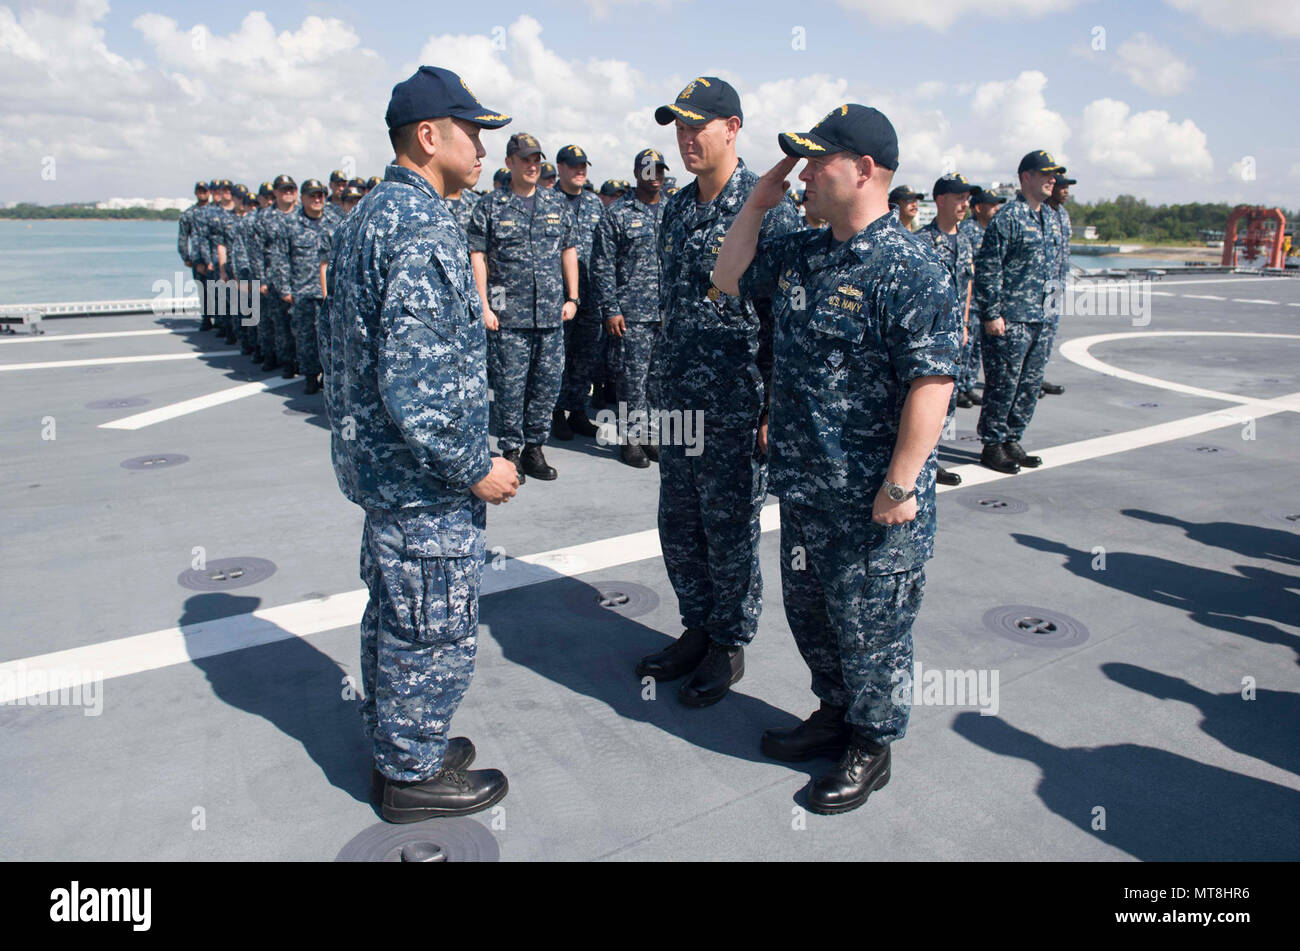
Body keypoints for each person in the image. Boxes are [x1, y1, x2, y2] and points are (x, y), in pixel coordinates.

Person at [712, 103, 959, 815]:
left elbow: (932, 383)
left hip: (874, 499)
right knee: (815, 616)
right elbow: (729, 278)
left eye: (820, 160)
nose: (808, 173)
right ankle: (833, 712)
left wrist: (900, 482)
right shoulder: (802, 250)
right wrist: (759, 201)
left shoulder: (911, 266)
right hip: (806, 487)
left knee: (873, 626)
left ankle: (870, 742)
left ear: (866, 170)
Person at [321, 65, 517, 823]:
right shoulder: (422, 227)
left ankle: (402, 738)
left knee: (396, 612)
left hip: (386, 473)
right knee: (432, 622)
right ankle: (410, 773)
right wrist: (477, 468)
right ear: (428, 137)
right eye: (473, 132)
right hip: (424, 479)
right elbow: (418, 386)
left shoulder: (373, 214)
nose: (483, 147)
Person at [635, 76, 801, 707]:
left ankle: (728, 643)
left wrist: (770, 408)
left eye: (697, 125)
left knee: (728, 529)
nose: (685, 138)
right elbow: (670, 310)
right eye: (678, 126)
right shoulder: (676, 209)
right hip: (679, 400)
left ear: (732, 126)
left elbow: (783, 319)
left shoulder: (767, 210)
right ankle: (697, 626)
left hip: (736, 402)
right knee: (678, 523)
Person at [468, 132, 579, 482]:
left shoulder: (555, 205)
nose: (533, 166)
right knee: (510, 388)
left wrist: (573, 297)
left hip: (550, 315)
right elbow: (478, 256)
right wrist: (484, 305)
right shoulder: (490, 206)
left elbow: (568, 250)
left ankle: (534, 448)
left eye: (536, 160)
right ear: (510, 163)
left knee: (546, 386)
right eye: (526, 160)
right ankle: (511, 451)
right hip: (508, 317)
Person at [974, 150, 1066, 474]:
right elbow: (989, 268)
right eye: (1045, 174)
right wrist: (991, 314)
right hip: (1011, 319)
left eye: (1053, 175)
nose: (1052, 179)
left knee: (1030, 383)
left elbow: (1059, 268)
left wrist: (1053, 312)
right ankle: (992, 444)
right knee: (1004, 384)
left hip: (1042, 318)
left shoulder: (1052, 218)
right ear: (1026, 177)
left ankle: (1013, 437)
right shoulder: (1008, 217)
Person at [590, 148, 668, 467]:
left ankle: (649, 436)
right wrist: (610, 308)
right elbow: (602, 265)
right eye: (648, 170)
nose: (655, 176)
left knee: (656, 381)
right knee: (631, 380)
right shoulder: (617, 214)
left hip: (665, 313)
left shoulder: (672, 211)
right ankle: (630, 440)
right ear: (637, 174)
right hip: (631, 313)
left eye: (659, 170)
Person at [915, 172, 976, 487]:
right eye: (959, 197)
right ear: (941, 200)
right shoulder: (922, 241)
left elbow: (967, 284)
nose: (965, 203)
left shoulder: (965, 239)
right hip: (928, 338)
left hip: (955, 335)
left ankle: (932, 460)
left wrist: (964, 322)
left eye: (967, 198)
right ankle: (920, 462)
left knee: (946, 402)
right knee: (923, 401)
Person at [552, 143, 607, 441]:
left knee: (585, 356)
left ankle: (577, 411)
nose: (580, 170)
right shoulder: (548, 201)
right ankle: (555, 413)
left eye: (583, 165)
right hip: (559, 295)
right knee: (559, 356)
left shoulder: (594, 203)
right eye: (574, 165)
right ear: (560, 167)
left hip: (590, 296)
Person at [272, 178, 333, 392]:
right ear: (303, 198)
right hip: (303, 290)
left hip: (330, 293)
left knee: (330, 338)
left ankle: (328, 376)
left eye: (321, 195)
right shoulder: (291, 225)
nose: (318, 199)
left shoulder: (335, 221)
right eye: (312, 195)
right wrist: (285, 288)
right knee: (306, 337)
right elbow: (281, 259)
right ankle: (309, 375)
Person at [957, 186, 1005, 407]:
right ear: (978, 208)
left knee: (976, 348)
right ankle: (958, 388)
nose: (996, 208)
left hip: (984, 301)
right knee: (964, 348)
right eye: (992, 204)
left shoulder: (994, 231)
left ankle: (967, 385)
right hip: (968, 300)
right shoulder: (967, 230)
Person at [1040, 172, 1077, 398]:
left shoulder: (1062, 214)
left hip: (1057, 286)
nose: (1065, 191)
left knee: (1049, 335)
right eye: (1062, 186)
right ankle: (1029, 380)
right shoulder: (1040, 213)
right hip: (1039, 288)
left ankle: (1037, 376)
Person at [177, 182, 209, 328]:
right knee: (203, 289)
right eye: (199, 191)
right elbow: (183, 237)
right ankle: (206, 318)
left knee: (220, 290)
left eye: (205, 191)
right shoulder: (189, 214)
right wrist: (186, 257)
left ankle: (222, 321)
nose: (202, 193)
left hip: (214, 257)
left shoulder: (216, 211)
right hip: (197, 257)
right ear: (195, 193)